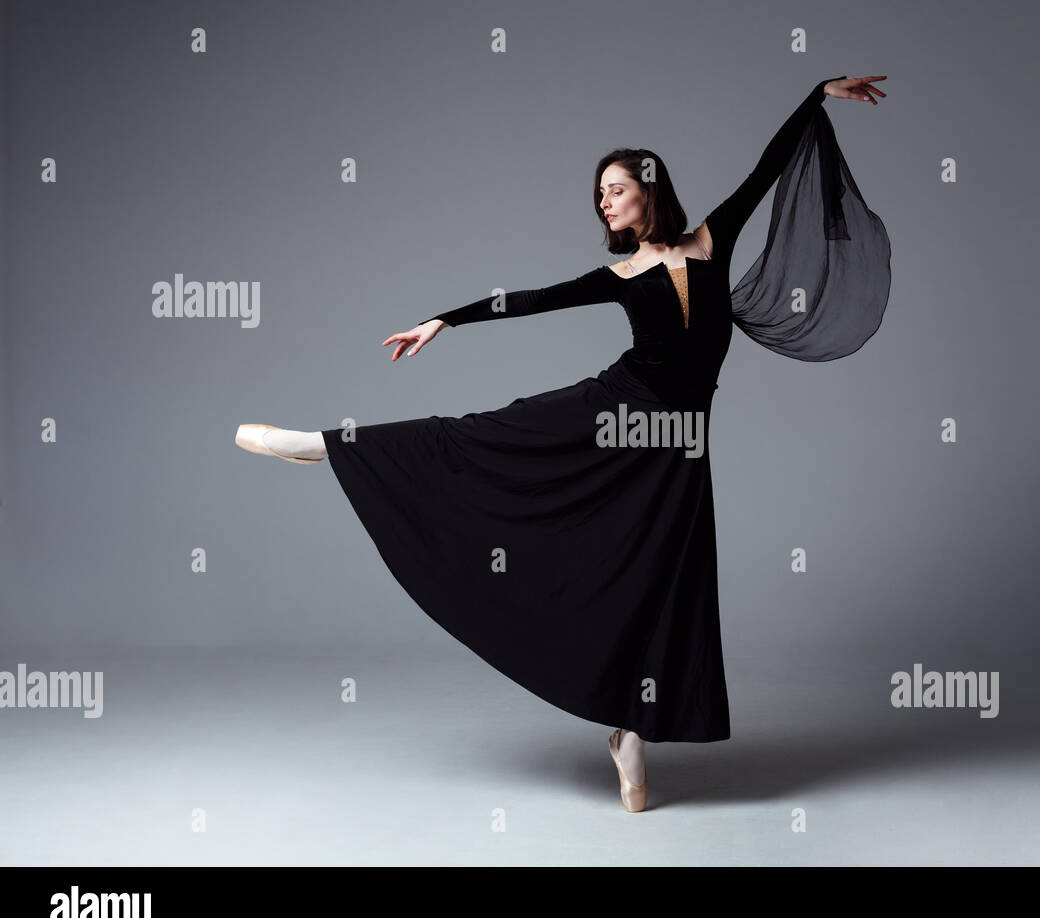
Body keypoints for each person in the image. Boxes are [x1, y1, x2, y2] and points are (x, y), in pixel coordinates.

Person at [236, 74, 891, 812]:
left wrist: (816, 93)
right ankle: (328, 446)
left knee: (660, 578)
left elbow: (769, 167)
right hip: (612, 414)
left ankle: (629, 732)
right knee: (478, 438)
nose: (605, 202)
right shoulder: (618, 274)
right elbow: (526, 300)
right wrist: (442, 320)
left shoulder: (712, 238)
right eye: (600, 196)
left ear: (649, 186)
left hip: (678, 449)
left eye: (615, 188)